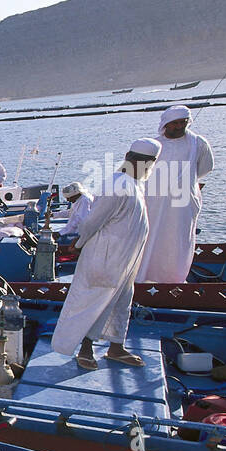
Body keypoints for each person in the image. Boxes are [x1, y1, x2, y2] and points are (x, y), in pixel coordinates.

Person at [51, 139, 161, 370]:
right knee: (94, 302)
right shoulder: (117, 183)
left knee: (121, 302)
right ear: (132, 159)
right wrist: (79, 244)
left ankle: (116, 347)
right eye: (147, 164)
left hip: (125, 259)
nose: (148, 169)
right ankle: (85, 349)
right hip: (105, 256)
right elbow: (93, 221)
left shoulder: (133, 184)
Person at [136, 104, 215, 284]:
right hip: (154, 202)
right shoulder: (154, 145)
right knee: (150, 238)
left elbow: (205, 168)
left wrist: (183, 183)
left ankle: (174, 280)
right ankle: (143, 277)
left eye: (183, 122)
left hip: (182, 204)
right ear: (166, 124)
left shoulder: (198, 143)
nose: (180, 126)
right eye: (175, 123)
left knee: (177, 240)